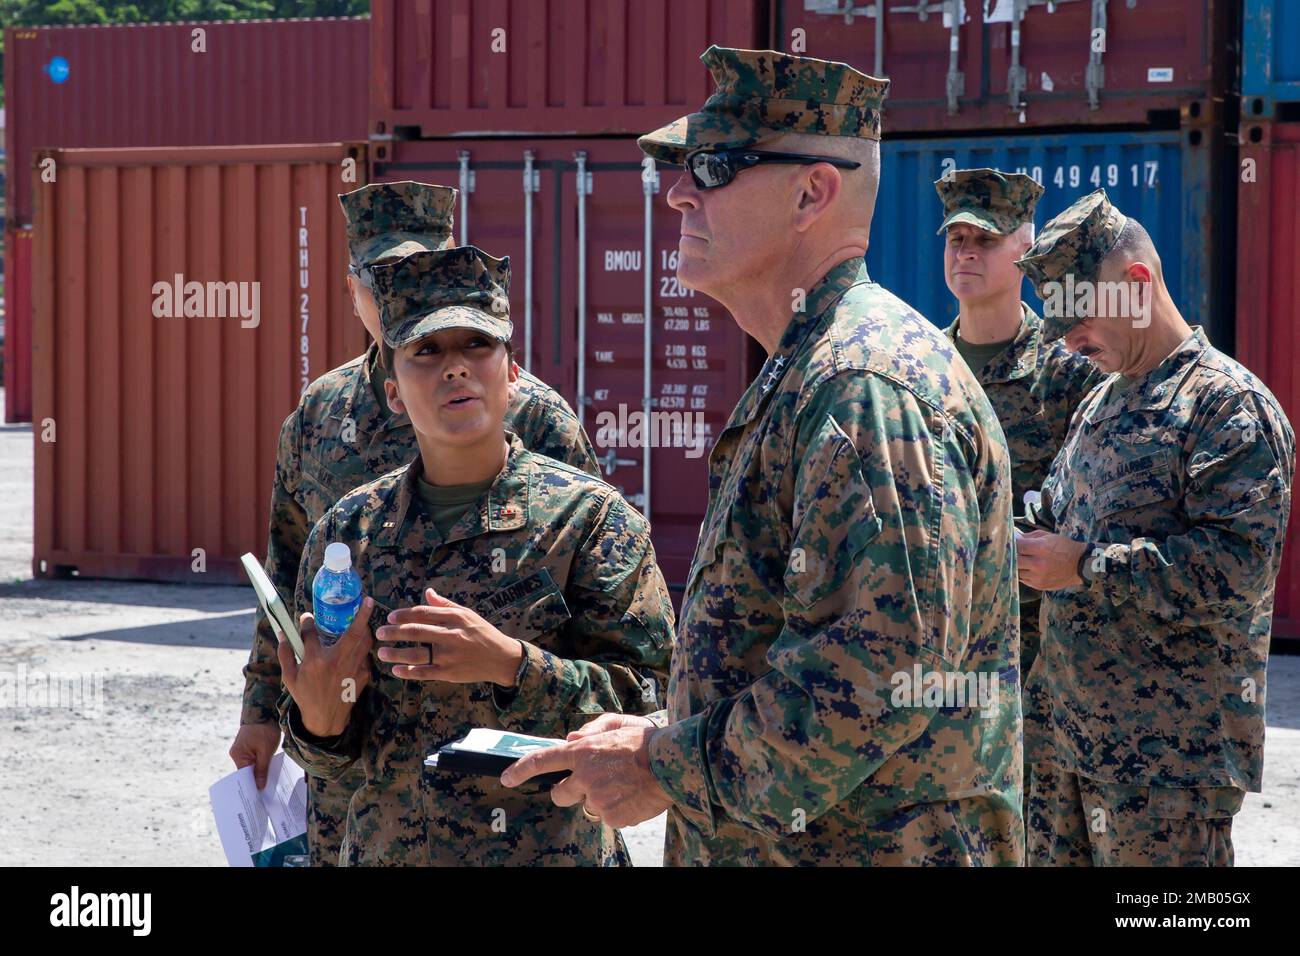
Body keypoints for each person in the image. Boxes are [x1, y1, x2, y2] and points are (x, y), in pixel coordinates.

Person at [503, 46, 1022, 866]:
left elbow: (877, 678)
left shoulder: (863, 386)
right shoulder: (811, 369)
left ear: (812, 192)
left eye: (711, 167)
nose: (678, 192)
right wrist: (665, 736)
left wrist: (663, 766)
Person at [231, 181, 600, 866]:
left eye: (426, 265)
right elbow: (283, 574)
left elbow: (601, 594)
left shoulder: (533, 415)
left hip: (508, 789)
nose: (411, 286)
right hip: (358, 762)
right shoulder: (320, 415)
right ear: (353, 289)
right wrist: (260, 711)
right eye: (386, 275)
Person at [275, 245, 674, 865]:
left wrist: (512, 664)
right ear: (395, 392)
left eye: (476, 346)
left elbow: (652, 707)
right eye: (426, 352)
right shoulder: (348, 533)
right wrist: (320, 721)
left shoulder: (590, 520)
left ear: (513, 375)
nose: (454, 368)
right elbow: (323, 758)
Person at [1014, 189, 1295, 865]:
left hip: (1165, 768)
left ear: (1137, 287)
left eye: (1082, 321)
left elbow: (1233, 572)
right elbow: (1054, 515)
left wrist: (1082, 565)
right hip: (1067, 749)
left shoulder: (1226, 407)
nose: (1071, 343)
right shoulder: (1102, 401)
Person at [934, 168, 1103, 830]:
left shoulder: (1068, 373)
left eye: (986, 239)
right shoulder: (921, 367)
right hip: (940, 663)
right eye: (957, 240)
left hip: (1040, 673)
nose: (967, 253)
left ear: (1024, 255)